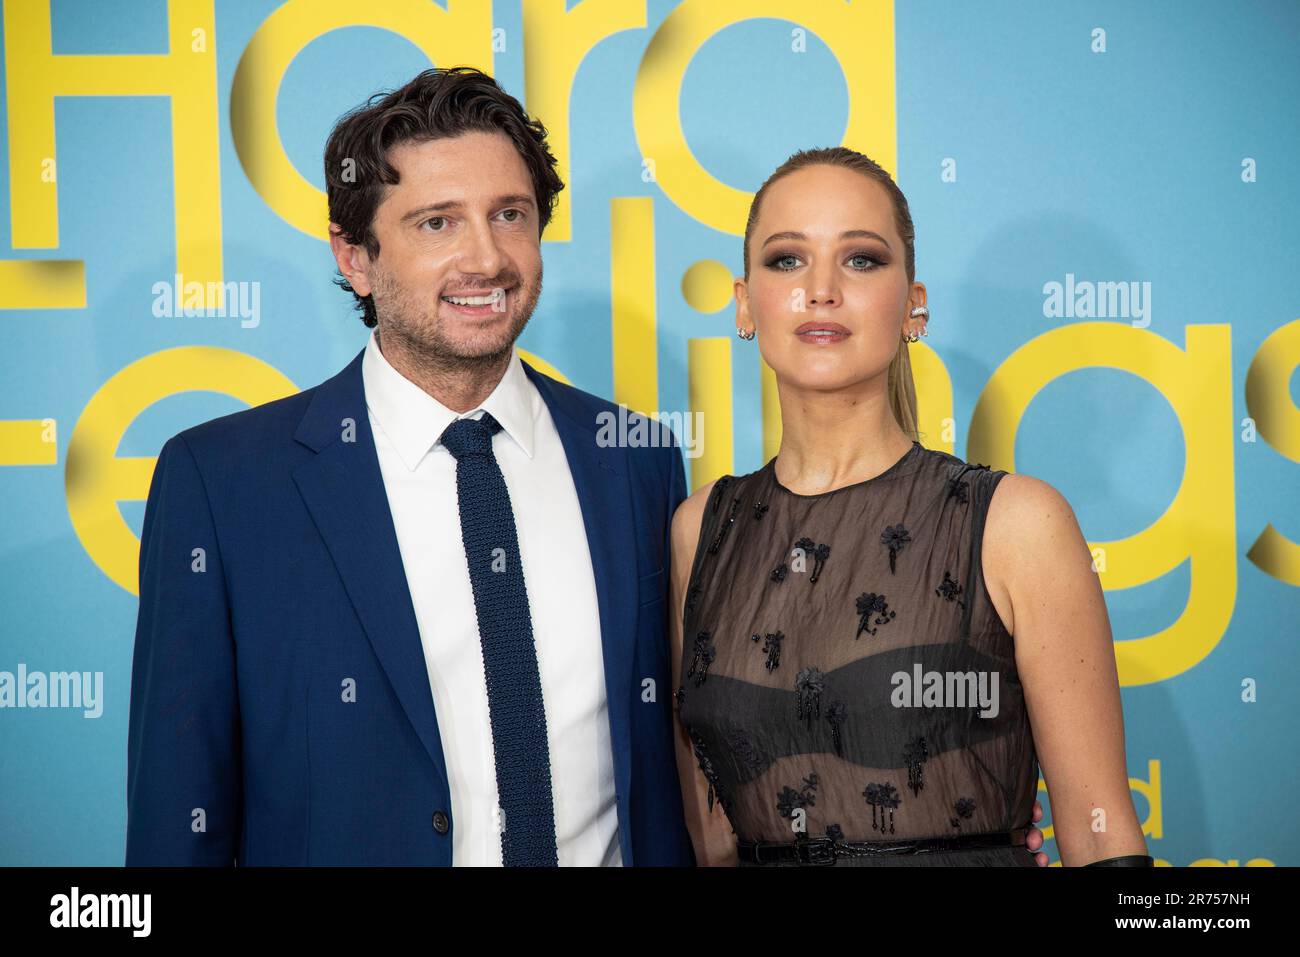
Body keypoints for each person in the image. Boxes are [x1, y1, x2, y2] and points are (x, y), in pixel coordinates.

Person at [126, 67, 692, 866]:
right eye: (437, 223)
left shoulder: (635, 459)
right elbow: (176, 815)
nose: (487, 257)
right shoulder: (222, 485)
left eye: (509, 214)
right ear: (356, 257)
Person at [668, 147, 1151, 867]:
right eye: (787, 261)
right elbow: (710, 841)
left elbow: (1100, 831)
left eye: (861, 259)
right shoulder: (702, 528)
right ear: (744, 303)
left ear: (913, 305)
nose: (822, 289)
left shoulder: (1016, 523)